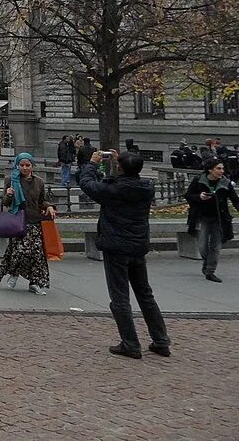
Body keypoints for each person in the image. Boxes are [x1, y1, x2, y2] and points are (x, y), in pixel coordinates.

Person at [78, 149, 170, 358]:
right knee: (145, 294)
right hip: (137, 246)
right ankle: (161, 340)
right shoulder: (146, 187)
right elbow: (124, 179)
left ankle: (130, 343)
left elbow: (86, 183)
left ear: (120, 167)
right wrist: (120, 163)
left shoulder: (113, 190)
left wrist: (92, 163)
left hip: (116, 246)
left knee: (120, 297)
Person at [0, 153, 57, 294]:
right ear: (17, 165)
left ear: (32, 166)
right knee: (19, 252)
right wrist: (9, 194)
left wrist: (49, 206)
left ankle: (34, 283)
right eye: (21, 165)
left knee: (36, 255)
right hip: (18, 221)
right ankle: (14, 274)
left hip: (34, 221)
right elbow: (5, 202)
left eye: (27, 165)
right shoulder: (11, 180)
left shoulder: (39, 182)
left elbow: (41, 201)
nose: (24, 168)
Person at [186, 157, 239, 283]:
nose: (221, 171)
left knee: (216, 246)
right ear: (210, 170)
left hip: (220, 219)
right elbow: (188, 195)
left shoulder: (226, 183)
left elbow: (235, 200)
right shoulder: (198, 180)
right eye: (218, 168)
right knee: (202, 246)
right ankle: (207, 261)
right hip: (201, 217)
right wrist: (199, 196)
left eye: (222, 168)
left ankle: (210, 271)